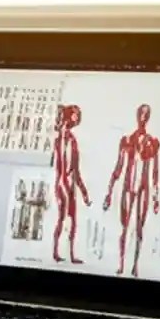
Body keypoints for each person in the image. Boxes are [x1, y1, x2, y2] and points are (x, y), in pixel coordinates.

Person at [103, 104, 160, 277]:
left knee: (139, 228)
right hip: (128, 187)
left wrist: (156, 196)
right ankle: (121, 264)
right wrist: (109, 191)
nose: (143, 117)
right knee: (125, 225)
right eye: (141, 114)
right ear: (137, 116)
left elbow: (155, 171)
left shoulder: (152, 142)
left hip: (143, 189)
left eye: (146, 114)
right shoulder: (127, 140)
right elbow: (119, 167)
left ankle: (135, 265)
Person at [52, 104, 90, 263]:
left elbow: (76, 169)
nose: (75, 118)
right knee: (62, 217)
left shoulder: (72, 140)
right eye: (74, 115)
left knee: (72, 219)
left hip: (70, 183)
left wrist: (84, 192)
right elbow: (61, 164)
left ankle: (71, 253)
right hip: (63, 183)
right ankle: (56, 252)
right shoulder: (60, 139)